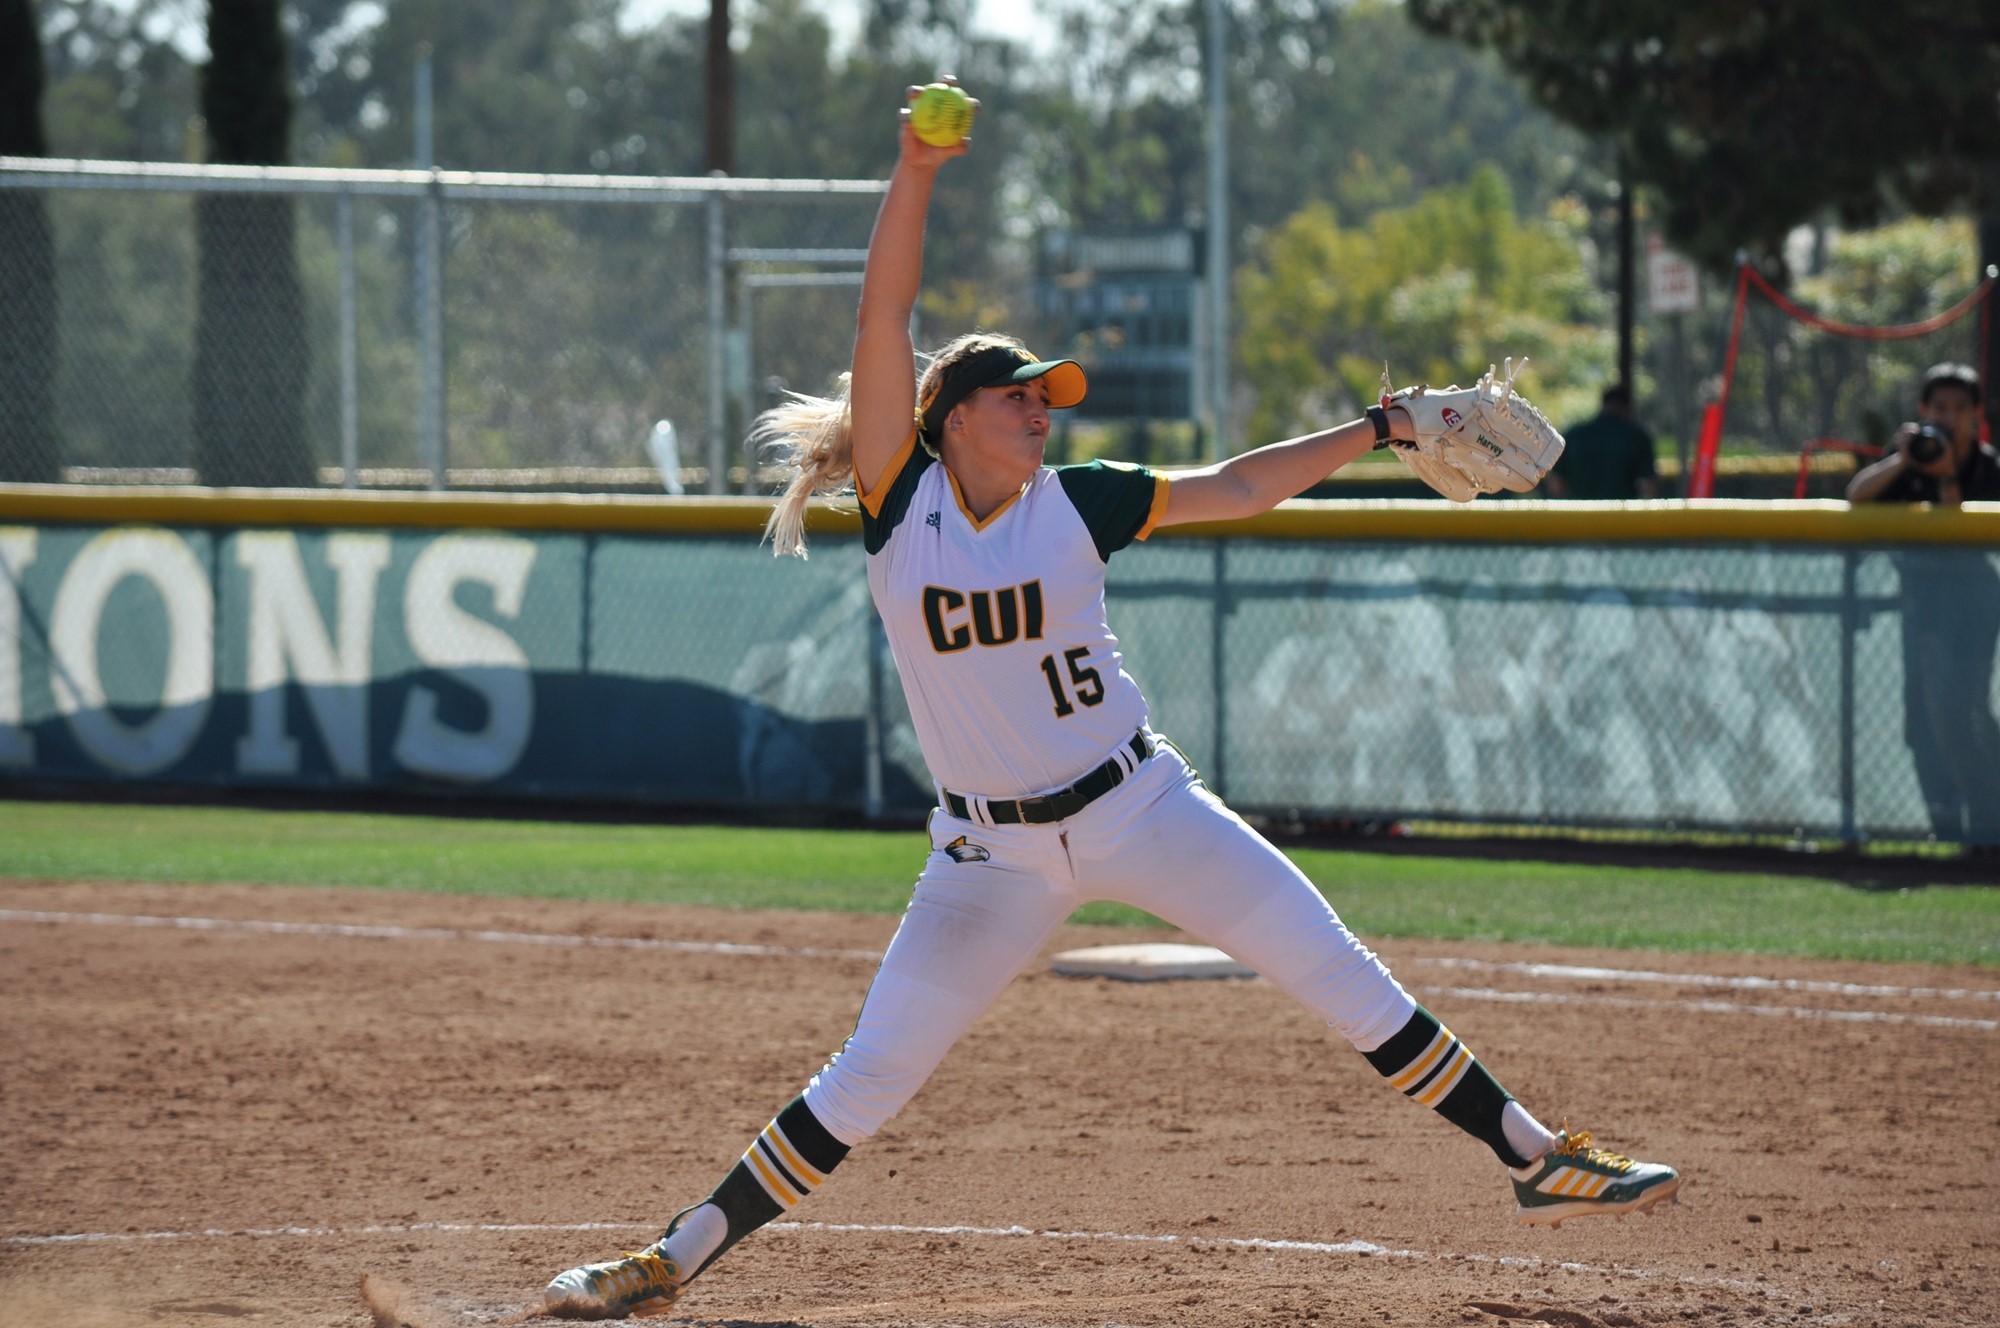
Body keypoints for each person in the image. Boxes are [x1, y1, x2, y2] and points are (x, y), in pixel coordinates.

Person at [541, 84, 1681, 1320]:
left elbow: (1238, 487)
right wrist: (917, 165)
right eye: (1018, 395)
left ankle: (1535, 1155)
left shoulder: (1076, 499)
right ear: (947, 419)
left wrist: (1374, 427)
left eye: (1047, 396)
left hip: (1142, 802)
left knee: (1337, 973)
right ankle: (674, 1253)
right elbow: (883, 306)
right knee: (868, 1075)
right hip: (987, 854)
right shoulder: (897, 499)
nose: (1041, 409)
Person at [1846, 362, 2000, 844]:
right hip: (1921, 603)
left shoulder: (1987, 465)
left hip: (1973, 604)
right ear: (1923, 410)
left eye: (1960, 409)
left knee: (1961, 711)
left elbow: (1959, 529)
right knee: (1920, 723)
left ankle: (1987, 822)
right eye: (1940, 408)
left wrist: (1947, 475)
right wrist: (1904, 459)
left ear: (1976, 416)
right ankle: (1948, 826)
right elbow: (1856, 497)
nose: (1949, 418)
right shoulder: (1909, 455)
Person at [1542, 383, 1658, 499]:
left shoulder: (1574, 435)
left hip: (1579, 513)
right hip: (1621, 514)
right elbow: (1649, 486)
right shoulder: (1637, 437)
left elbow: (1556, 485)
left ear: (1603, 405)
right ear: (1627, 408)